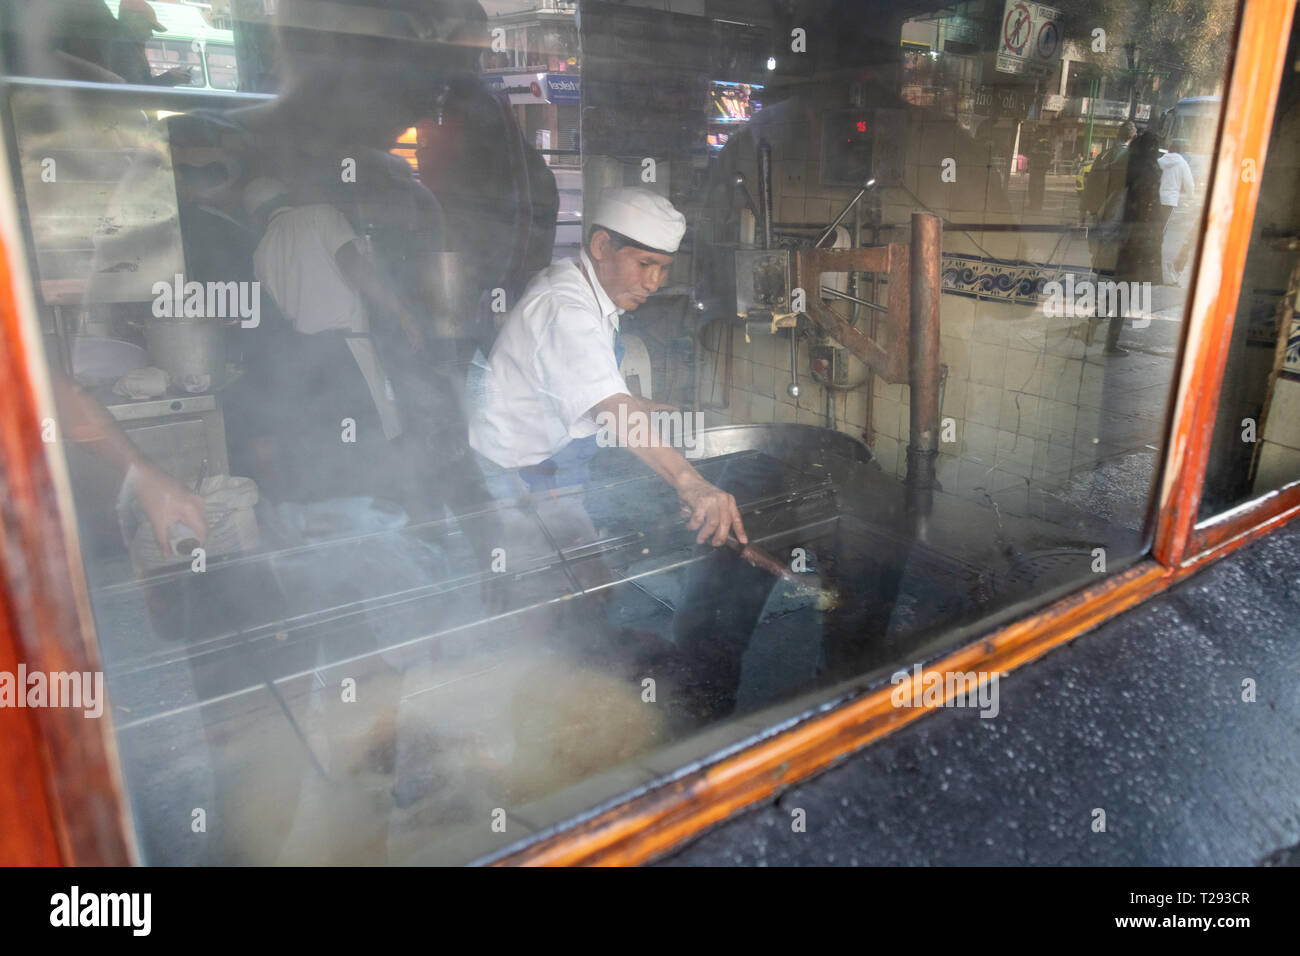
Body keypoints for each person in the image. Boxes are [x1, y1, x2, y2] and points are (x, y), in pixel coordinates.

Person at [468, 187, 747, 549]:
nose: (653, 282)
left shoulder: (579, 283)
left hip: (551, 460)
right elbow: (609, 407)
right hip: (521, 478)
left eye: (663, 269)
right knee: (559, 581)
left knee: (579, 574)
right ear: (601, 246)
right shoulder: (564, 309)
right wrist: (690, 482)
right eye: (644, 264)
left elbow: (574, 378)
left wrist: (638, 405)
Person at [108, 0, 192, 86]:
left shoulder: (129, 45)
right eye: (149, 27)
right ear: (134, 19)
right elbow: (137, 90)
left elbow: (142, 85)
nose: (151, 34)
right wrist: (170, 78)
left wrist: (170, 76)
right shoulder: (122, 47)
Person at [1157, 138, 1196, 236]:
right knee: (1163, 225)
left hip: (1157, 197)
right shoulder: (1182, 163)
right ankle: (1157, 243)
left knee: (1155, 223)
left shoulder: (1159, 161)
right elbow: (1189, 182)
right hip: (1170, 199)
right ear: (1180, 151)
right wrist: (1190, 196)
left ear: (1168, 150)